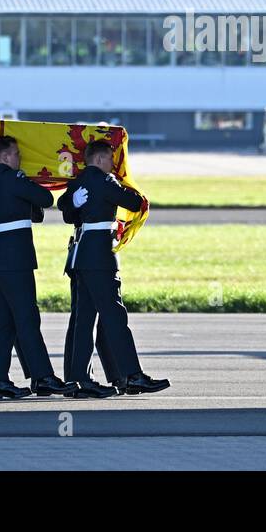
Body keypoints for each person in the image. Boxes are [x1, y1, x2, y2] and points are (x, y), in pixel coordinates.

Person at [58, 139, 169, 398]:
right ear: (98, 159)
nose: (113, 164)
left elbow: (65, 210)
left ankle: (80, 379)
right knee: (114, 316)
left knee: (83, 320)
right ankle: (132, 375)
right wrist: (122, 184)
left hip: (81, 257)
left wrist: (72, 203)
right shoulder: (105, 181)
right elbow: (133, 202)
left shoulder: (78, 182)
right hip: (98, 258)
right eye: (110, 158)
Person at [0, 135, 70, 398]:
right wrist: (27, 181)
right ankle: (42, 376)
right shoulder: (13, 179)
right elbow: (44, 198)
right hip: (14, 259)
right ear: (5, 157)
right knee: (27, 317)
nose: (20, 158)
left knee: (4, 320)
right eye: (16, 154)